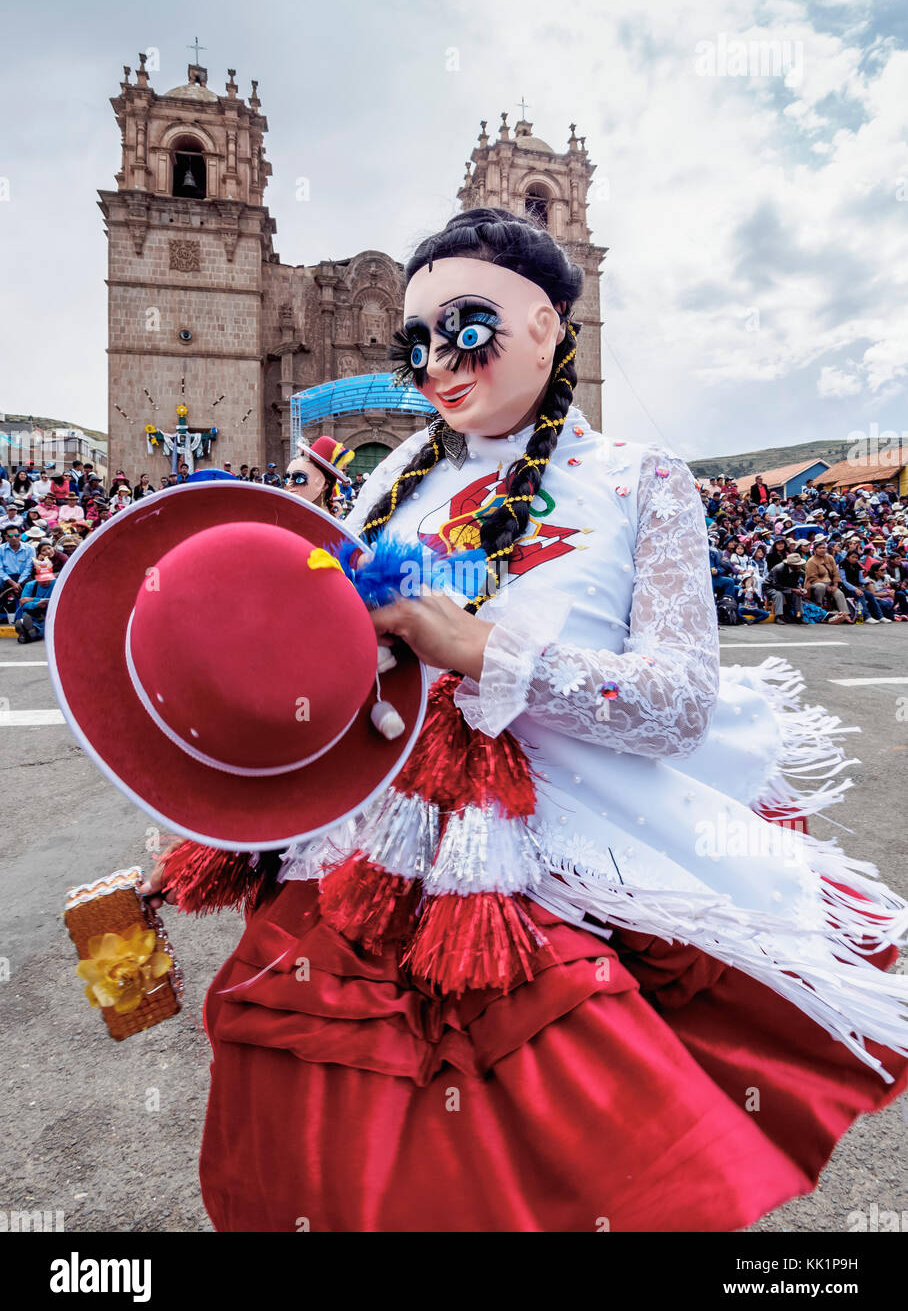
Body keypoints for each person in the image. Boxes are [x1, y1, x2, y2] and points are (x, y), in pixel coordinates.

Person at [125, 206, 908, 1233]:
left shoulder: (641, 481)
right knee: (326, 1161)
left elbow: (677, 705)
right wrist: (217, 819)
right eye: (415, 341)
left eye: (466, 328)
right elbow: (322, 687)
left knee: (546, 1172)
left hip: (553, 878)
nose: (437, 365)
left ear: (547, 324)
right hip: (362, 871)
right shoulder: (387, 484)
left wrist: (485, 652)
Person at [803, 537, 850, 622]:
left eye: (824, 548)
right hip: (815, 584)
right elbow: (812, 577)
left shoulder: (830, 558)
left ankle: (845, 614)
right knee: (820, 587)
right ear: (815, 550)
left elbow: (835, 572)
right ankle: (820, 610)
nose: (822, 550)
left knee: (839, 593)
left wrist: (835, 585)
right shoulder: (811, 561)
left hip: (830, 583)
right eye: (820, 548)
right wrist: (826, 586)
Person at [0, 523, 36, 622]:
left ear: (20, 535)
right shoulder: (1, 549)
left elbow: (28, 568)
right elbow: (0, 570)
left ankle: (25, 616)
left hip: (23, 577)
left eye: (16, 535)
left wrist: (19, 583)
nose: (14, 538)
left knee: (30, 586)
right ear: (5, 537)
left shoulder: (30, 549)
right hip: (6, 577)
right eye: (10, 536)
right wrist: (12, 583)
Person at [766, 553, 807, 622]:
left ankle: (798, 615)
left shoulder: (798, 570)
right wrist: (793, 590)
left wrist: (800, 590)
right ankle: (778, 616)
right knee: (778, 594)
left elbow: (796, 583)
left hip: (786, 587)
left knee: (798, 594)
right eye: (797, 565)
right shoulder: (778, 569)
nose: (799, 566)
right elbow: (775, 585)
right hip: (771, 587)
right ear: (791, 565)